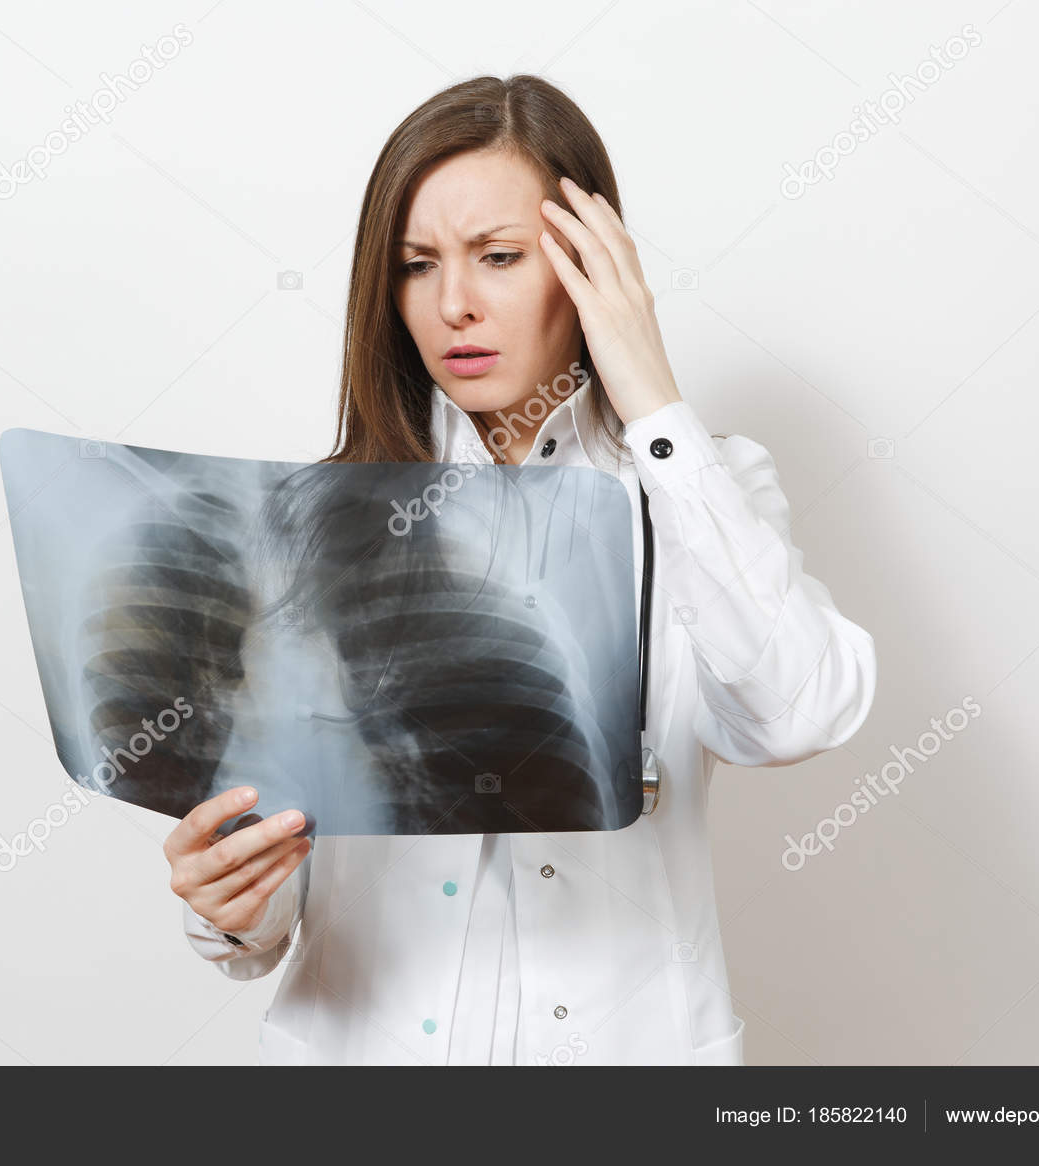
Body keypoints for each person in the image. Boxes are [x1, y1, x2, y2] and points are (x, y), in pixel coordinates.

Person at [164, 73, 876, 1065]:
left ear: (590, 265)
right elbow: (279, 875)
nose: (453, 304)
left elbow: (797, 714)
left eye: (498, 257)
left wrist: (653, 402)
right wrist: (233, 902)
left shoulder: (702, 492)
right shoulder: (312, 518)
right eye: (416, 265)